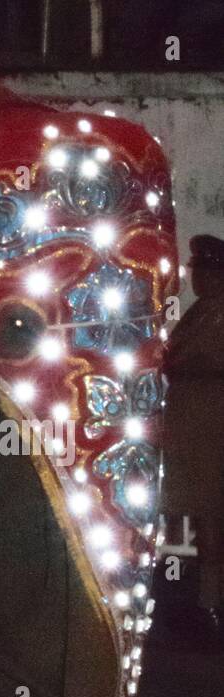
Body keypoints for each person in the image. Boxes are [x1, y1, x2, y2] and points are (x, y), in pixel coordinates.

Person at [162, 234, 224, 647]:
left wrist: (177, 363)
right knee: (198, 520)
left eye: (200, 270)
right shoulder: (202, 311)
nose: (193, 276)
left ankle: (211, 605)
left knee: (212, 520)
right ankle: (197, 602)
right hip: (190, 431)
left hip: (210, 430)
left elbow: (210, 363)